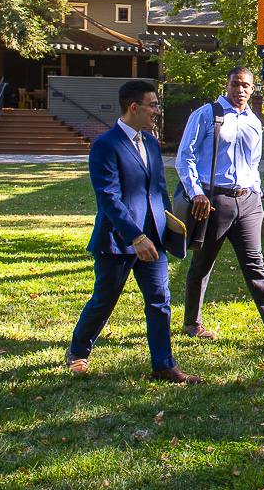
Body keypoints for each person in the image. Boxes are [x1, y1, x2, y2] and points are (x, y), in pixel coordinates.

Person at [66, 80, 202, 383]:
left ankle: (164, 365)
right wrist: (134, 237)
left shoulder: (151, 143)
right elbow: (109, 199)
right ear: (134, 107)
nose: (157, 111)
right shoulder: (105, 145)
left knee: (159, 299)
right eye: (152, 105)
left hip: (153, 239)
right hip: (118, 241)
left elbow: (159, 189)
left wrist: (169, 227)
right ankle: (77, 351)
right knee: (104, 299)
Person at [176, 66, 264, 349]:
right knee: (203, 263)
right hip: (214, 201)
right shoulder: (206, 114)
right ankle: (192, 322)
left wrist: (257, 197)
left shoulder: (253, 121)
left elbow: (253, 163)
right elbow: (185, 157)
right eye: (235, 84)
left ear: (253, 89)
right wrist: (196, 193)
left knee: (255, 263)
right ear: (226, 85)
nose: (240, 90)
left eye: (246, 86)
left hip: (248, 202)